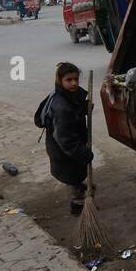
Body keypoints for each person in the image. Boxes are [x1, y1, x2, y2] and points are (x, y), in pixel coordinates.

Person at [39, 62, 93, 215]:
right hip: (64, 151)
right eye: (69, 80)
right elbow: (66, 140)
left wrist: (84, 107)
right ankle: (78, 207)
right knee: (74, 177)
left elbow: (75, 110)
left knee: (75, 176)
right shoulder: (61, 107)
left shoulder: (69, 96)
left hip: (67, 148)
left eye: (76, 79)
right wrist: (84, 154)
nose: (74, 83)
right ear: (60, 81)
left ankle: (79, 189)